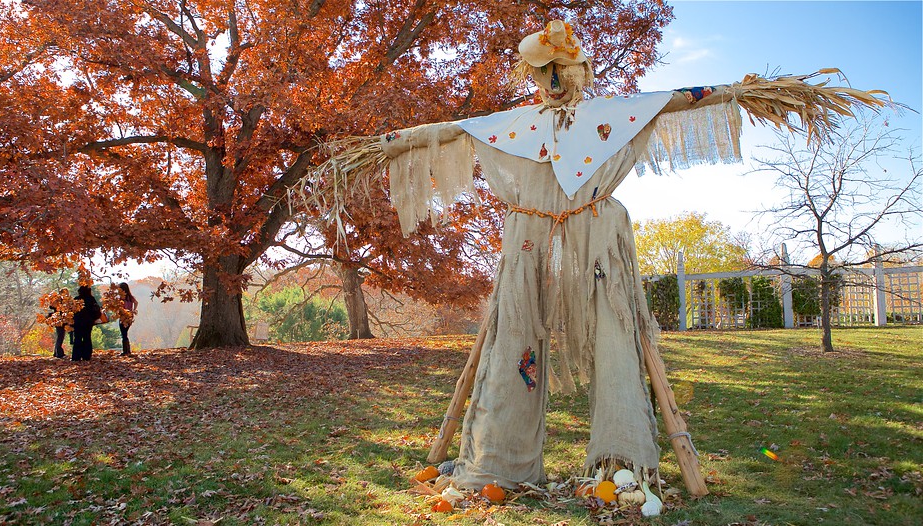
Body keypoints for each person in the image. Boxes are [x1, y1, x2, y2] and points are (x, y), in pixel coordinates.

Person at [342, 19, 886, 511]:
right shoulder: (510, 126)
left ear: (577, 72)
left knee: (615, 342)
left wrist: (740, 93)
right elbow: (454, 131)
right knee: (514, 341)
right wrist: (389, 146)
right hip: (527, 241)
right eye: (544, 72)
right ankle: (496, 463)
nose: (553, 82)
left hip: (598, 240)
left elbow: (679, 100)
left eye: (560, 70)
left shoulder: (612, 118)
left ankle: (620, 464)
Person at [71, 285, 101, 361]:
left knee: (77, 338)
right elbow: (97, 310)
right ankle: (86, 356)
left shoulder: (76, 299)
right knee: (87, 338)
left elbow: (71, 311)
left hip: (78, 322)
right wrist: (93, 318)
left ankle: (76, 356)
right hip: (88, 322)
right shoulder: (91, 299)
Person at [117, 282, 138, 356]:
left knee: (124, 333)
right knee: (124, 333)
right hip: (129, 317)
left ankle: (126, 351)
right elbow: (136, 302)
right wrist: (133, 310)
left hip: (124, 317)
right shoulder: (130, 297)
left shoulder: (121, 298)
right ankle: (127, 351)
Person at [50, 288, 69, 359]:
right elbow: (51, 306)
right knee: (60, 336)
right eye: (66, 293)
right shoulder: (59, 300)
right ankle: (59, 353)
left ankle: (56, 352)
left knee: (60, 336)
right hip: (60, 319)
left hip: (60, 319)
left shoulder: (62, 300)